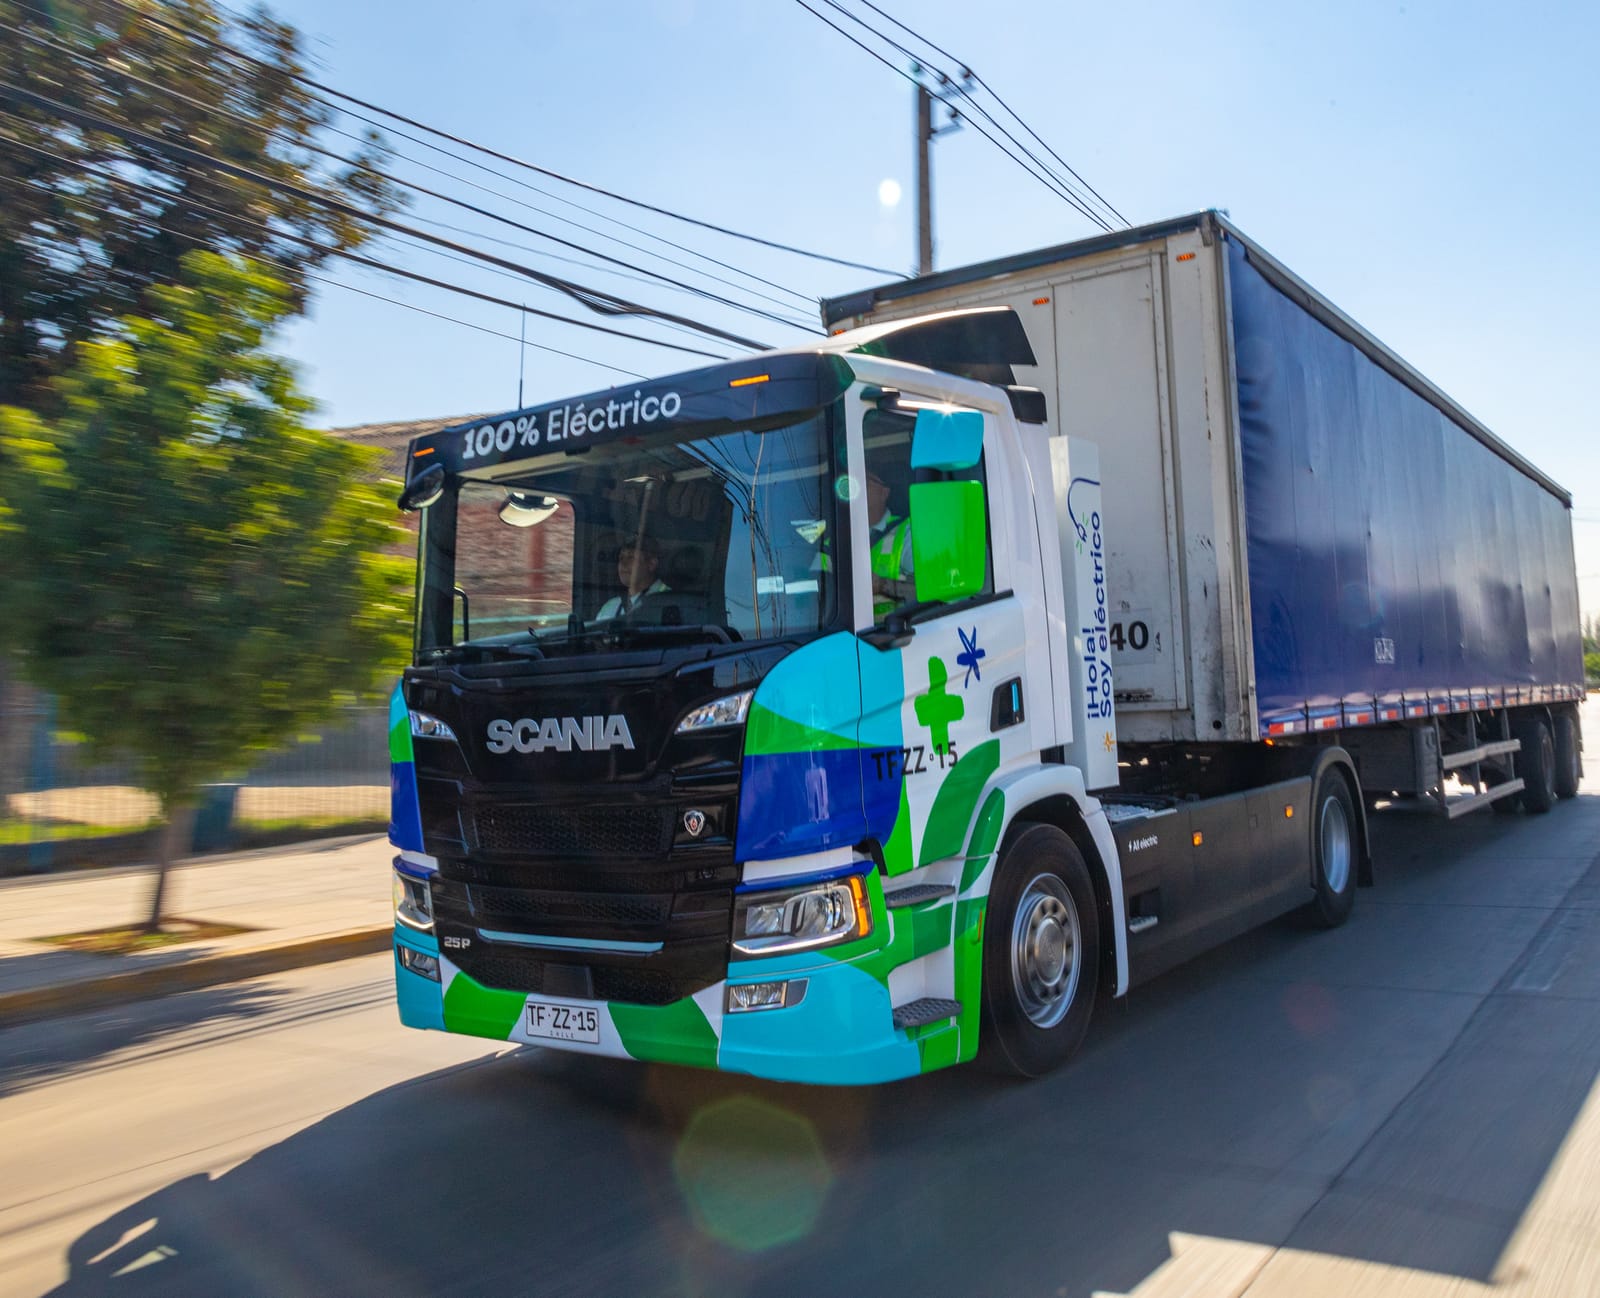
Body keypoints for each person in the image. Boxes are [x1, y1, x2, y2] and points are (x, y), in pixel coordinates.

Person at [865, 463, 913, 617]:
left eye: (865, 481)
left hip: (898, 634)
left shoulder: (906, 531)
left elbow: (927, 593)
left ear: (884, 493)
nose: (855, 489)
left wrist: (882, 585)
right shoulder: (830, 541)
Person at [595, 537, 670, 619]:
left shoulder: (669, 601)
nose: (623, 563)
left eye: (631, 557)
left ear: (652, 564)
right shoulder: (611, 606)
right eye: (621, 558)